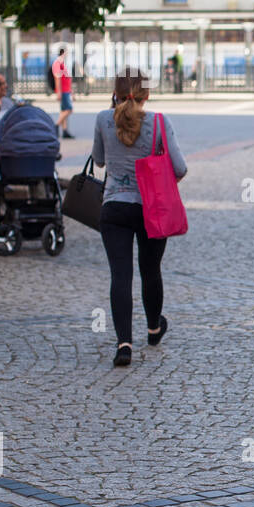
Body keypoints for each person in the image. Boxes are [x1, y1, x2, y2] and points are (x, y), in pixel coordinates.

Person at [92, 68, 188, 368]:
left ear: (115, 93)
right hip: (151, 208)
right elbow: (180, 167)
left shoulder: (102, 119)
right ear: (147, 94)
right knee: (150, 269)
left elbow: (99, 160)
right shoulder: (159, 121)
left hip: (114, 207)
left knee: (120, 275)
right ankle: (154, 328)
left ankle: (123, 344)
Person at [52, 47, 74, 138]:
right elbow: (57, 78)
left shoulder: (61, 63)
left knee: (63, 110)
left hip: (66, 90)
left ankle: (64, 131)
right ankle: (56, 125)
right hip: (63, 91)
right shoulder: (58, 63)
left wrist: (71, 91)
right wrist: (59, 92)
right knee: (69, 109)